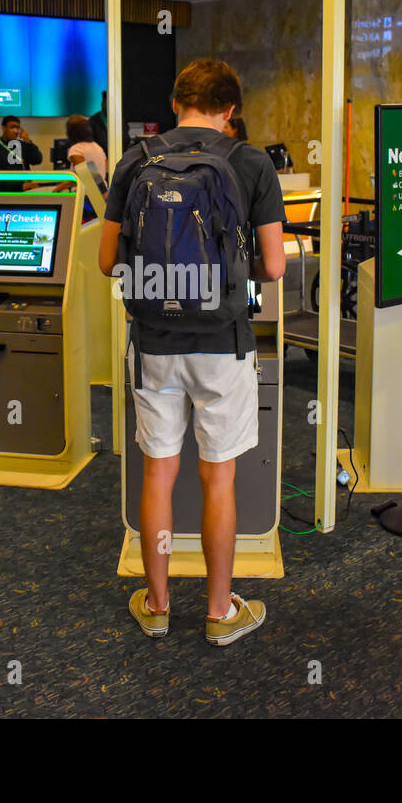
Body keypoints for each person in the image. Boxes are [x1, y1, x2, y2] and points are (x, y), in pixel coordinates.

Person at [99, 59, 286, 647]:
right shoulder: (251, 162)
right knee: (219, 479)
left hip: (153, 338)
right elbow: (276, 266)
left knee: (158, 473)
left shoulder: (135, 161)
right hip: (222, 343)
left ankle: (156, 604)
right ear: (230, 110)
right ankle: (218, 611)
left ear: (177, 102)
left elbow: (109, 262)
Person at [0, 115, 43, 193]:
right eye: (12, 127)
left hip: (27, 192)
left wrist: (28, 141)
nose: (16, 131)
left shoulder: (22, 145)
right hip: (9, 195)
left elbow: (37, 160)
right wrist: (20, 186)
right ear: (3, 128)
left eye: (17, 128)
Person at [63, 114, 108, 195]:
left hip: (85, 197)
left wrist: (59, 188)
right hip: (100, 195)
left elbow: (85, 176)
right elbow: (103, 172)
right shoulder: (98, 148)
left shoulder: (76, 149)